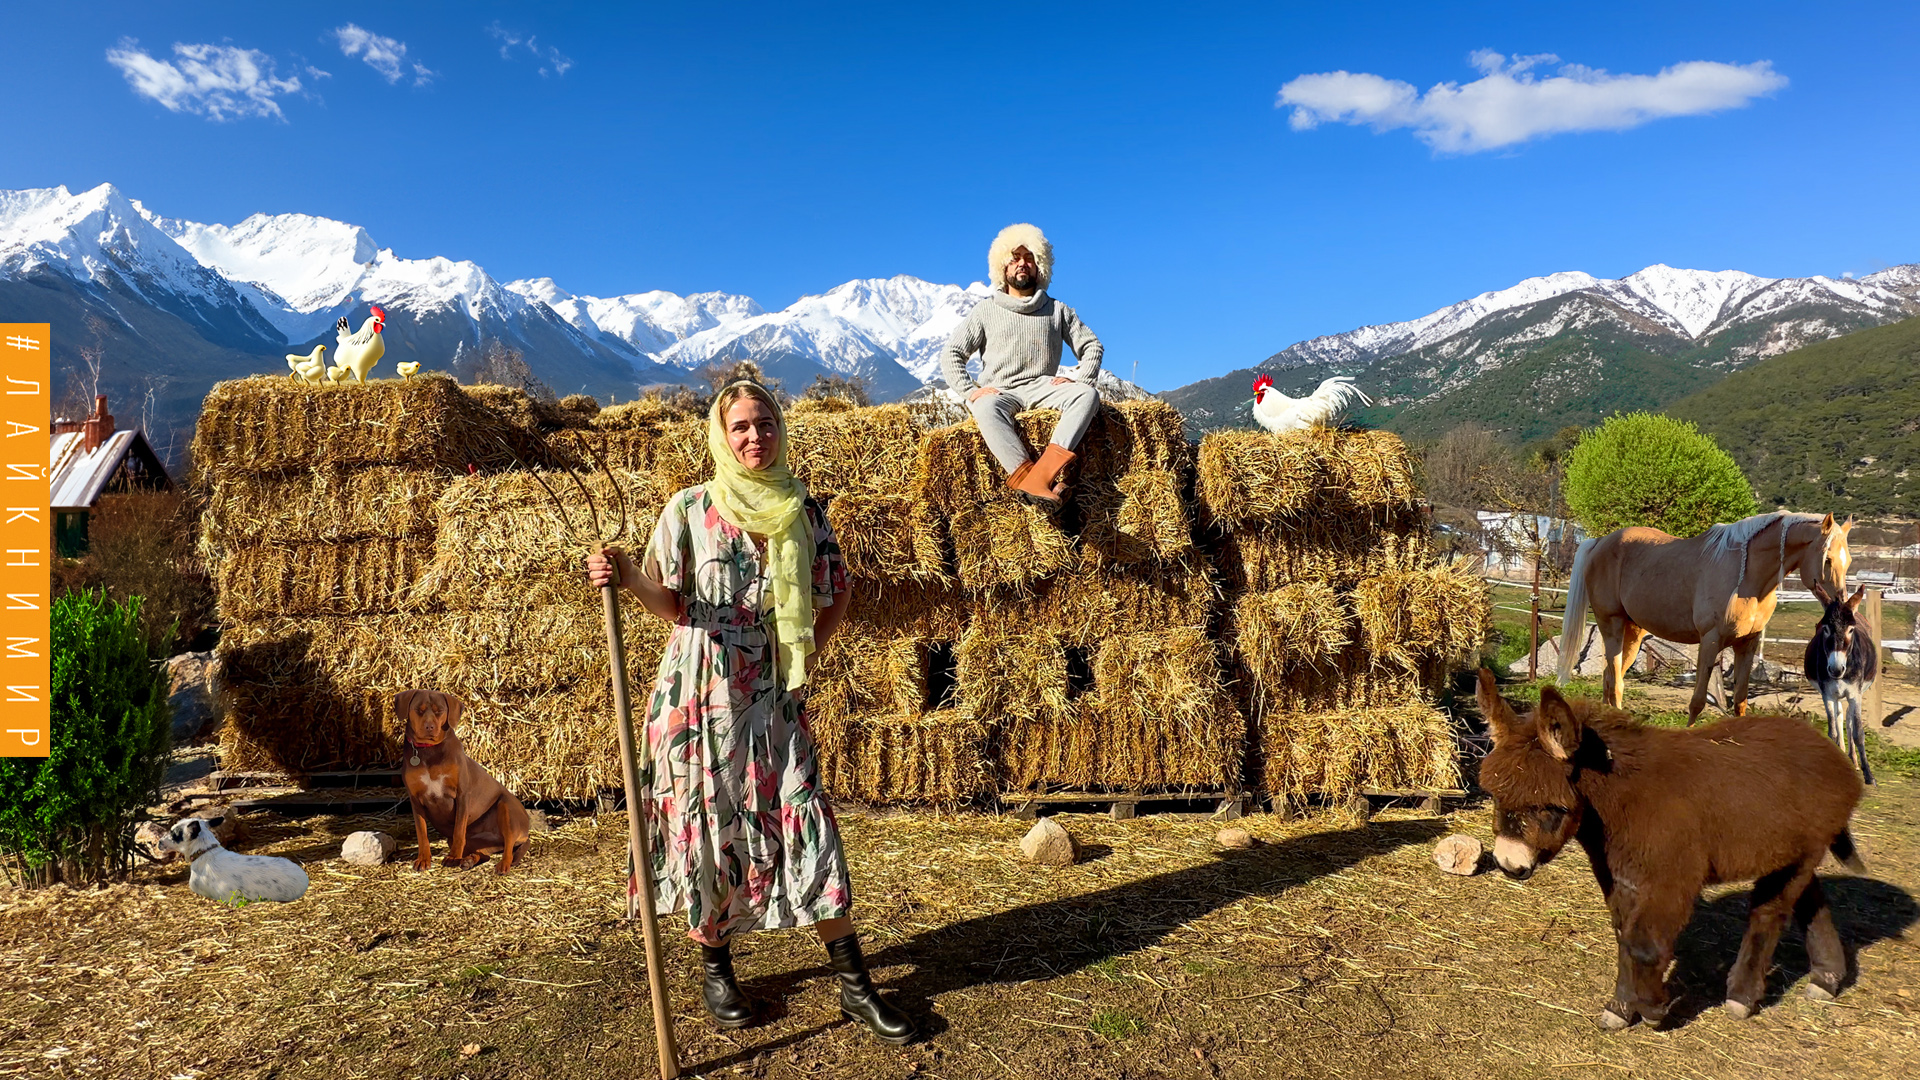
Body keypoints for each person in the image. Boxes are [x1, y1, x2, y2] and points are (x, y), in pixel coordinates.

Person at [584, 380, 915, 1045]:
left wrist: (803, 657)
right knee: (711, 826)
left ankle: (855, 986)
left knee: (808, 818)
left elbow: (836, 593)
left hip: (774, 692)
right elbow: (673, 604)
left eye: (764, 424)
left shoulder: (802, 511)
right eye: (740, 427)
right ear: (720, 434)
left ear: (779, 429)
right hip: (701, 690)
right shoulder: (690, 508)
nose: (754, 438)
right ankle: (717, 968)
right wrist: (623, 577)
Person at [939, 222, 1105, 509]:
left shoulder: (1058, 310)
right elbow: (952, 353)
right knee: (984, 407)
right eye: (1015, 258)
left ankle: (1040, 476)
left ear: (1041, 266)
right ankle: (1034, 479)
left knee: (1087, 395)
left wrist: (1081, 379)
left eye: (1029, 258)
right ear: (1002, 267)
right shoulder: (985, 310)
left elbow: (1092, 345)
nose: (1022, 264)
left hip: (1043, 387)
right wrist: (970, 391)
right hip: (1001, 391)